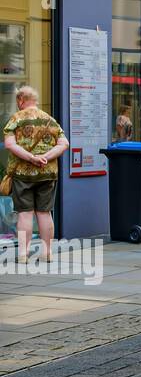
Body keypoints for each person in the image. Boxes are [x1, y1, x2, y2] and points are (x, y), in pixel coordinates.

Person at [3, 86, 68, 263]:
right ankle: (47, 253)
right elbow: (64, 143)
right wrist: (45, 157)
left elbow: (9, 144)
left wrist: (31, 158)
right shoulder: (49, 119)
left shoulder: (16, 119)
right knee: (44, 213)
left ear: (21, 100)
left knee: (25, 214)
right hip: (47, 174)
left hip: (23, 174)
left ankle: (23, 254)